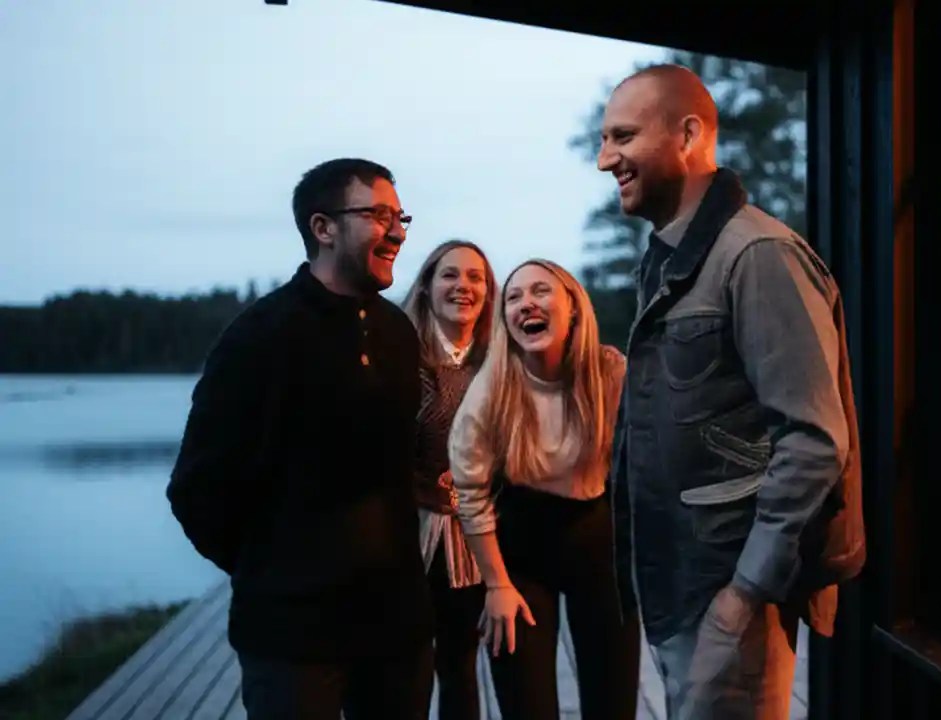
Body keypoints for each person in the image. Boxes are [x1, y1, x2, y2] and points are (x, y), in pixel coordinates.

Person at [596, 64, 867, 719]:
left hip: (728, 598)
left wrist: (742, 594)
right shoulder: (669, 258)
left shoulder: (758, 255)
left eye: (624, 137)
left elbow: (811, 440)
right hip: (682, 589)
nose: (606, 160)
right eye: (605, 140)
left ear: (688, 133)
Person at [166, 158, 432, 719]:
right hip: (291, 639)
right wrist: (272, 571)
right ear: (323, 227)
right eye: (380, 215)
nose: (399, 231)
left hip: (396, 629)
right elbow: (196, 489)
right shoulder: (260, 337)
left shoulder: (396, 332)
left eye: (401, 217)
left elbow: (396, 463)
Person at [448, 259, 641, 720]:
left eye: (539, 291)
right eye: (513, 297)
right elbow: (470, 493)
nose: (525, 304)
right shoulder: (491, 389)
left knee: (613, 701)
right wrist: (495, 584)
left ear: (572, 307)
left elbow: (652, 460)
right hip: (518, 551)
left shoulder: (611, 372)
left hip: (598, 540)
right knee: (525, 703)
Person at [400, 240, 496, 719]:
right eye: (450, 275)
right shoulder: (401, 358)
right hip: (406, 534)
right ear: (427, 286)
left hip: (479, 541)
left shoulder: (501, 365)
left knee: (461, 662)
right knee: (406, 664)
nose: (464, 286)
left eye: (475, 277)